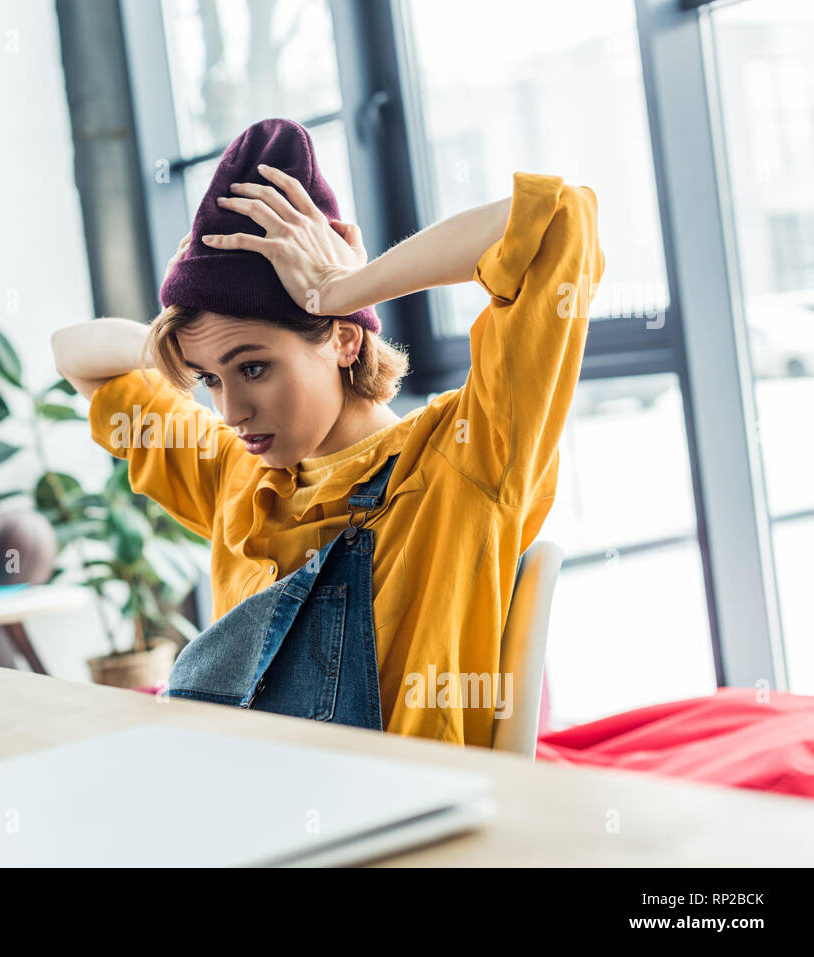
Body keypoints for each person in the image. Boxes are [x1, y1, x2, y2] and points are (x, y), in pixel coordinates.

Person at [51, 118, 604, 748]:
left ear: (343, 339)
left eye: (253, 368)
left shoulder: (464, 457)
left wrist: (341, 289)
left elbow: (559, 218)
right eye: (210, 379)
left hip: (404, 823)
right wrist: (172, 345)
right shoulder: (240, 474)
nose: (230, 411)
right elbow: (74, 354)